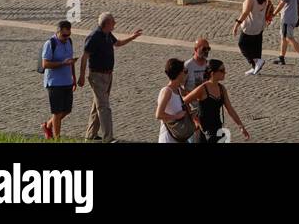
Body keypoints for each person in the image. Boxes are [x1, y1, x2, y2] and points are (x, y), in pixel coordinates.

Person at [77, 10, 142, 142]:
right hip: (97, 76)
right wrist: (82, 76)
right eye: (113, 21)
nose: (115, 23)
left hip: (108, 75)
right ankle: (108, 138)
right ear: (106, 23)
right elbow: (84, 57)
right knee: (104, 107)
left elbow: (117, 43)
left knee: (98, 105)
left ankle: (90, 135)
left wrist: (132, 37)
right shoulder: (94, 37)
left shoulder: (107, 34)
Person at [184, 58, 250, 143]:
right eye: (222, 70)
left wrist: (241, 126)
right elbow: (183, 102)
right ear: (212, 73)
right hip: (204, 130)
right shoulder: (203, 89)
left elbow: (230, 109)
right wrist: (194, 119)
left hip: (218, 129)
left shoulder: (222, 89)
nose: (224, 73)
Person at [41, 19, 76, 140]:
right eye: (64, 35)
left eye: (69, 34)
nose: (66, 37)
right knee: (57, 112)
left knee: (67, 110)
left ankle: (48, 125)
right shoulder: (50, 43)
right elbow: (45, 64)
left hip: (67, 81)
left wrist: (74, 78)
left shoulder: (69, 42)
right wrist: (62, 63)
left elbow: (71, 61)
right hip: (54, 83)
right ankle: (57, 138)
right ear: (58, 32)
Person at [233, 0, 272, 75]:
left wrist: (237, 24)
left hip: (250, 26)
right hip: (259, 25)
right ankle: (255, 68)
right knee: (256, 46)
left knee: (242, 45)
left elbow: (245, 13)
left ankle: (254, 62)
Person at [156, 58, 194, 144]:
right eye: (185, 71)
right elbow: (158, 115)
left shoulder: (178, 90)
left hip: (180, 137)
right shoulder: (167, 91)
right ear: (179, 73)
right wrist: (176, 117)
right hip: (168, 138)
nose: (186, 74)